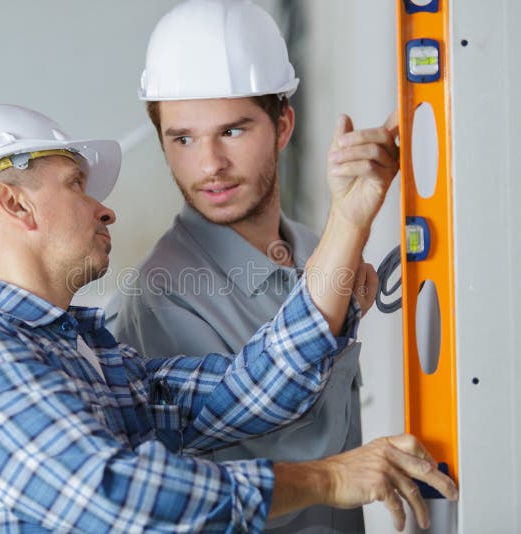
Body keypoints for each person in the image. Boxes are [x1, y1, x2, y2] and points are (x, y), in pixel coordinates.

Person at [0, 103, 455, 533]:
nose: (104, 208)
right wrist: (329, 478)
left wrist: (351, 216)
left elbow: (247, 391)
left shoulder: (87, 353)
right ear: (15, 204)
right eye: (76, 185)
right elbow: (109, 496)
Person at [109, 1, 388, 530]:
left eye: (232, 131)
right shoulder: (158, 299)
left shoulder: (314, 250)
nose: (210, 164)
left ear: (282, 126)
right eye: (183, 138)